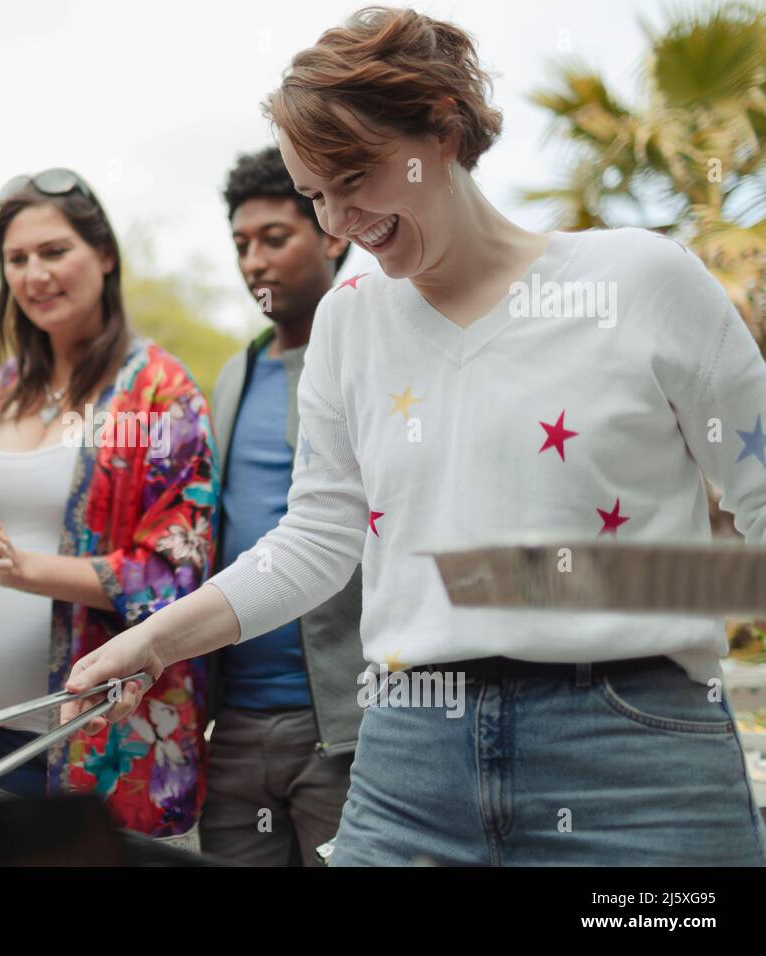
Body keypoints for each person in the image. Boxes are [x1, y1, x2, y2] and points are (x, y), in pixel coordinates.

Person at [63, 7, 766, 866]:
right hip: (407, 762)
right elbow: (317, 542)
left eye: (353, 177)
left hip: (635, 756)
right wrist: (150, 640)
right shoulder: (350, 326)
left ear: (440, 122)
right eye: (316, 195)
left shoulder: (643, 281)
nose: (339, 222)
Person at [0, 168, 217, 843]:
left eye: (54, 252)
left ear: (104, 255)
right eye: (16, 259)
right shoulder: (0, 392)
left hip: (113, 750)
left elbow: (178, 577)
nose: (33, 274)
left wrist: (27, 568)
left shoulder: (161, 393)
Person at [202, 146, 362, 866]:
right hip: (236, 724)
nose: (254, 262)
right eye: (241, 245)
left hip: (343, 726)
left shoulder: (371, 354)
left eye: (275, 238)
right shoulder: (234, 374)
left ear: (332, 234)